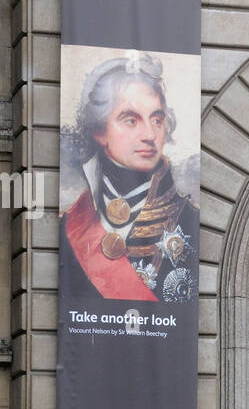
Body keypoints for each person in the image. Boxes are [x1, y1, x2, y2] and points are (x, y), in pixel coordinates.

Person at [60, 54, 198, 302]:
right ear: (99, 130)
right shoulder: (69, 227)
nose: (149, 134)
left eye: (156, 119)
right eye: (131, 120)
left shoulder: (188, 220)